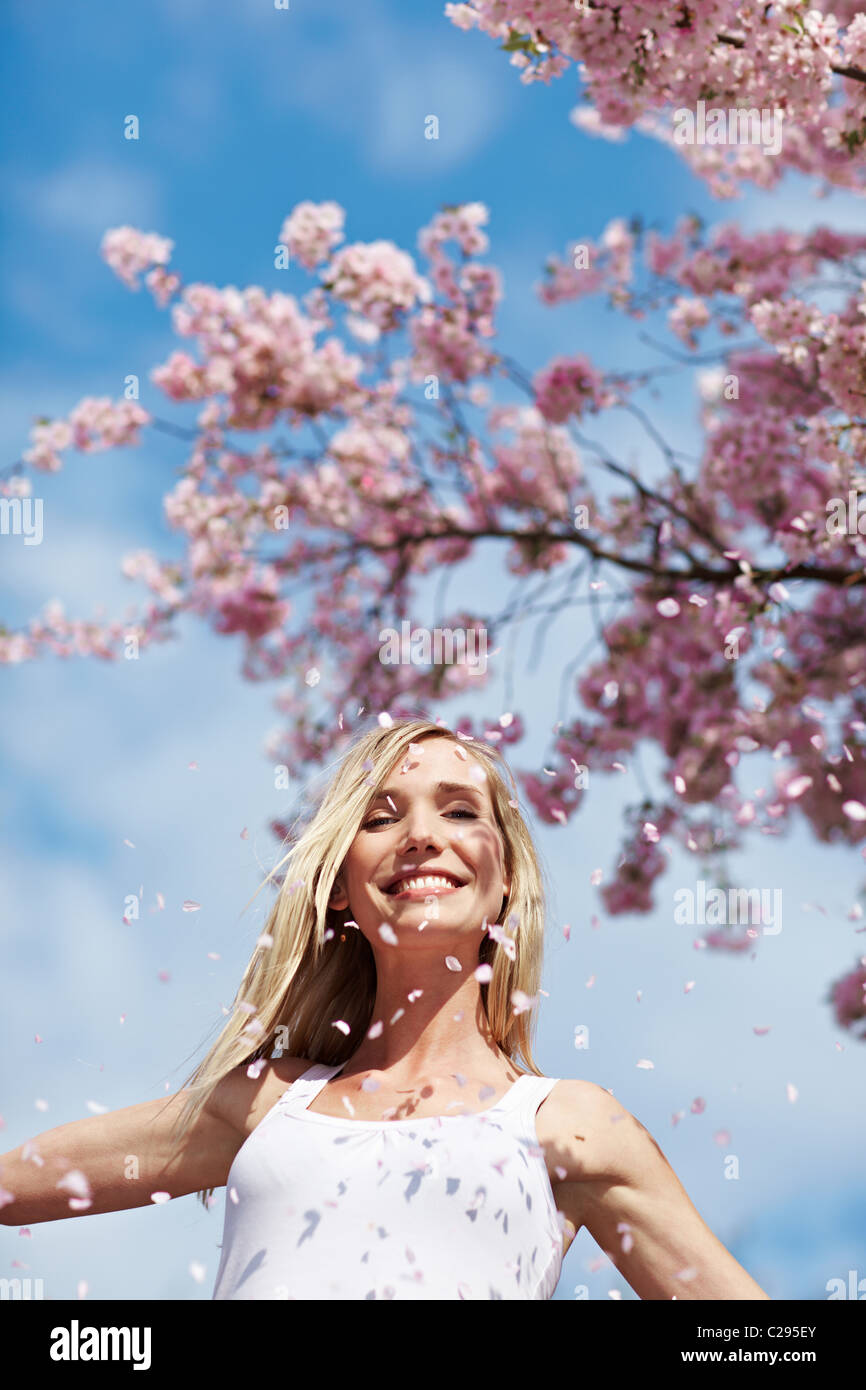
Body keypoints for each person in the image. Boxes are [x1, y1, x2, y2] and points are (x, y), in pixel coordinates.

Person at [0, 717, 770, 1300]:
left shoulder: (568, 1124)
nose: (422, 836)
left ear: (504, 877)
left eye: (461, 812)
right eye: (381, 816)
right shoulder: (265, 1104)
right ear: (339, 884)